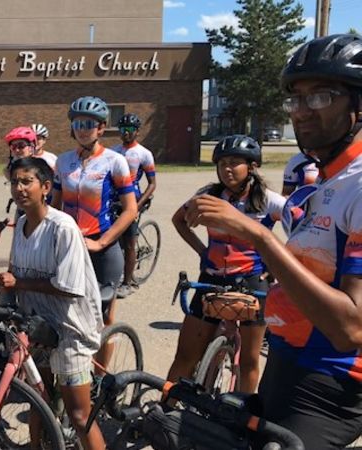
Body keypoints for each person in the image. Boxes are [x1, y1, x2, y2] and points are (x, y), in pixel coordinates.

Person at [184, 34, 362, 448]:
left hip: (328, 386)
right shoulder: (324, 184)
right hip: (286, 365)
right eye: (295, 99)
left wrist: (259, 237)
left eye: (320, 96)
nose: (301, 112)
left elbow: (351, 328)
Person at [0, 157, 105, 450]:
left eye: (26, 181)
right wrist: (6, 288)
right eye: (14, 182)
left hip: (71, 330)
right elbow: (16, 271)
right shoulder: (20, 225)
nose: (19, 188)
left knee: (80, 415)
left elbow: (69, 288)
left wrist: (18, 283)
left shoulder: (62, 227)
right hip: (38, 326)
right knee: (38, 401)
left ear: (45, 187)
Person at [166, 135, 285, 394]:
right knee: (185, 356)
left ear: (252, 166)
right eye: (221, 163)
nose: (227, 169)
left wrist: (276, 263)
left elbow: (301, 228)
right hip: (212, 278)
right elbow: (179, 220)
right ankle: (165, 409)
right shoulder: (208, 195)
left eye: (234, 162)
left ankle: (241, 418)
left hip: (253, 280)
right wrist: (202, 251)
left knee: (249, 362)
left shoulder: (268, 200)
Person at [50, 96, 137, 328]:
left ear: (100, 128)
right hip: (70, 244)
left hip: (102, 246)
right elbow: (54, 207)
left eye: (89, 124)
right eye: (78, 124)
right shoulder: (63, 161)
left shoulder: (114, 161)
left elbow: (130, 210)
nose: (83, 130)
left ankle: (102, 366)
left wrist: (101, 243)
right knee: (68, 313)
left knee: (104, 318)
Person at [111, 113, 157, 298]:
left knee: (129, 245)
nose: (126, 133)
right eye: (122, 130)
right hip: (114, 199)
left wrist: (137, 206)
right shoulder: (113, 151)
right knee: (112, 238)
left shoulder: (144, 154)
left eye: (129, 130)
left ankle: (127, 282)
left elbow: (152, 183)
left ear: (137, 132)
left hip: (133, 199)